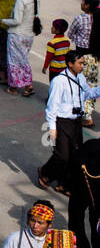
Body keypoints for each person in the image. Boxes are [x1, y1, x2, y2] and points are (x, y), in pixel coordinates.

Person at [38, 48, 100, 194]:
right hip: (63, 121)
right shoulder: (59, 81)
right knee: (62, 155)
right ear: (70, 63)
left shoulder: (81, 77)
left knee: (76, 154)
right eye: (80, 63)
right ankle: (45, 173)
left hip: (76, 121)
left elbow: (88, 93)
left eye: (83, 63)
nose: (82, 66)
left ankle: (64, 183)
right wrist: (52, 128)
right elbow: (52, 106)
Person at [1, 0, 42, 97]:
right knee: (23, 60)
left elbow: (16, 21)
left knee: (14, 61)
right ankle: (28, 84)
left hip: (17, 34)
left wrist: (2, 21)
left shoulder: (21, 0)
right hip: (28, 35)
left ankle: (13, 86)